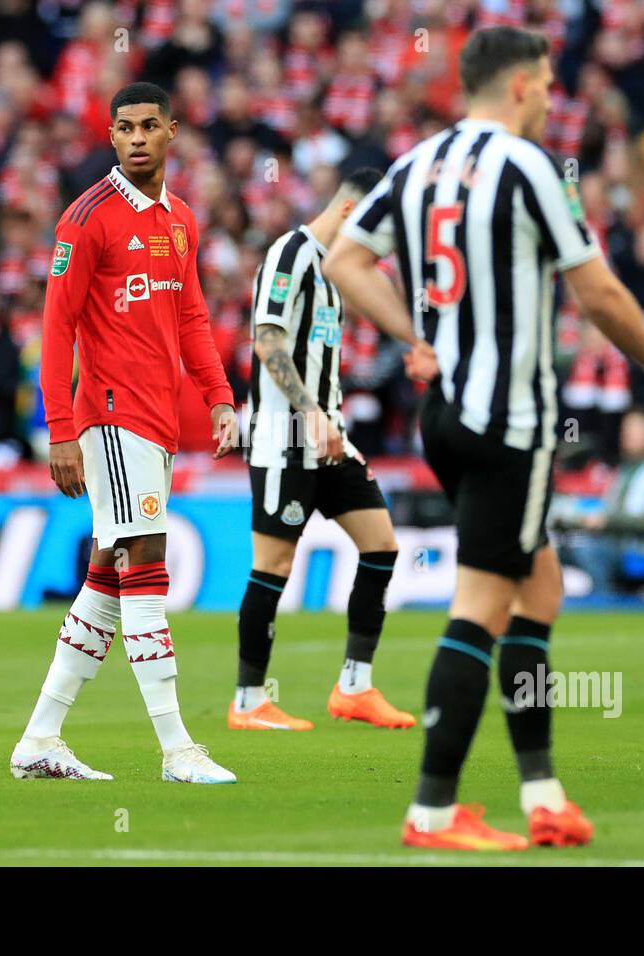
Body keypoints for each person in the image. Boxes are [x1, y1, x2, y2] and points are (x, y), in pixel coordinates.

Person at [324, 26, 644, 852]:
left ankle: (544, 794)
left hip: (444, 419)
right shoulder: (532, 166)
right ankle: (433, 810)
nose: (552, 99)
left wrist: (411, 336)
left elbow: (346, 262)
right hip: (511, 424)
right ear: (525, 85)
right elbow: (598, 290)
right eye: (548, 85)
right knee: (483, 607)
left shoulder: (417, 162)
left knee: (541, 592)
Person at [13, 82, 241, 785]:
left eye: (149, 126)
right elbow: (56, 327)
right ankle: (177, 749)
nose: (137, 137)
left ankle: (40, 738)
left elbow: (193, 318)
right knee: (144, 565)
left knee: (108, 582)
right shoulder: (87, 219)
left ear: (172, 131)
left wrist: (221, 397)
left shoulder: (181, 220)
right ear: (111, 136)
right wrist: (61, 429)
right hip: (109, 416)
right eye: (124, 128)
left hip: (159, 420)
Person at [230, 167, 415, 733]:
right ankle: (248, 701)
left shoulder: (339, 273)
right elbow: (266, 340)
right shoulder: (292, 252)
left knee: (381, 545)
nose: (377, 244)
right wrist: (309, 412)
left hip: (328, 437)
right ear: (348, 211)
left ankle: (354, 686)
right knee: (275, 563)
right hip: (285, 438)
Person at [553, 408, 644, 596]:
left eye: (636, 429)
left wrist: (605, 521)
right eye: (626, 429)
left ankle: (603, 601)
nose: (628, 435)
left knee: (588, 548)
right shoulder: (624, 471)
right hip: (616, 544)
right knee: (553, 549)